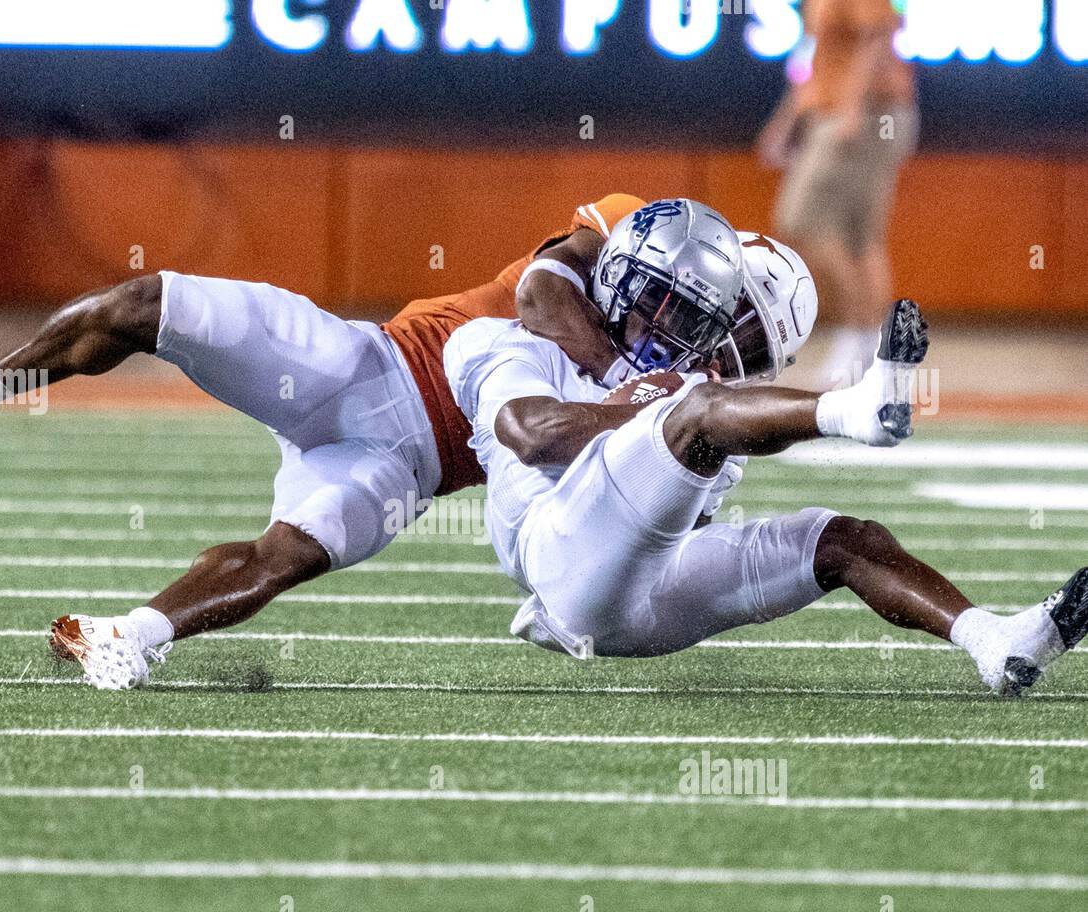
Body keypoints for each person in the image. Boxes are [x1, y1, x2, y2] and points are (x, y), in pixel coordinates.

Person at [0, 194, 646, 688]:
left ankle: (129, 635)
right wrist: (623, 376)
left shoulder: (680, 387)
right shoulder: (622, 246)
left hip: (409, 465)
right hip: (366, 365)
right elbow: (544, 295)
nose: (670, 314)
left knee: (287, 554)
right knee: (144, 304)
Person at [443, 199, 1087, 697]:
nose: (677, 337)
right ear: (616, 282)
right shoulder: (493, 342)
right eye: (661, 308)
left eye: (697, 325)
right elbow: (535, 434)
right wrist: (640, 402)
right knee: (697, 411)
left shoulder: (703, 396)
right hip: (557, 558)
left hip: (647, 594)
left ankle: (993, 641)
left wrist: (666, 412)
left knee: (844, 540)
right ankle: (853, 408)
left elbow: (670, 519)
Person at [758, 0, 918, 387]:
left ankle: (860, 338)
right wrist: (788, 121)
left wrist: (851, 107)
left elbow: (877, 36)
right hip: (839, 111)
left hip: (867, 113)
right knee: (857, 238)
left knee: (803, 219)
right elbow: (816, 56)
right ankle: (874, 349)